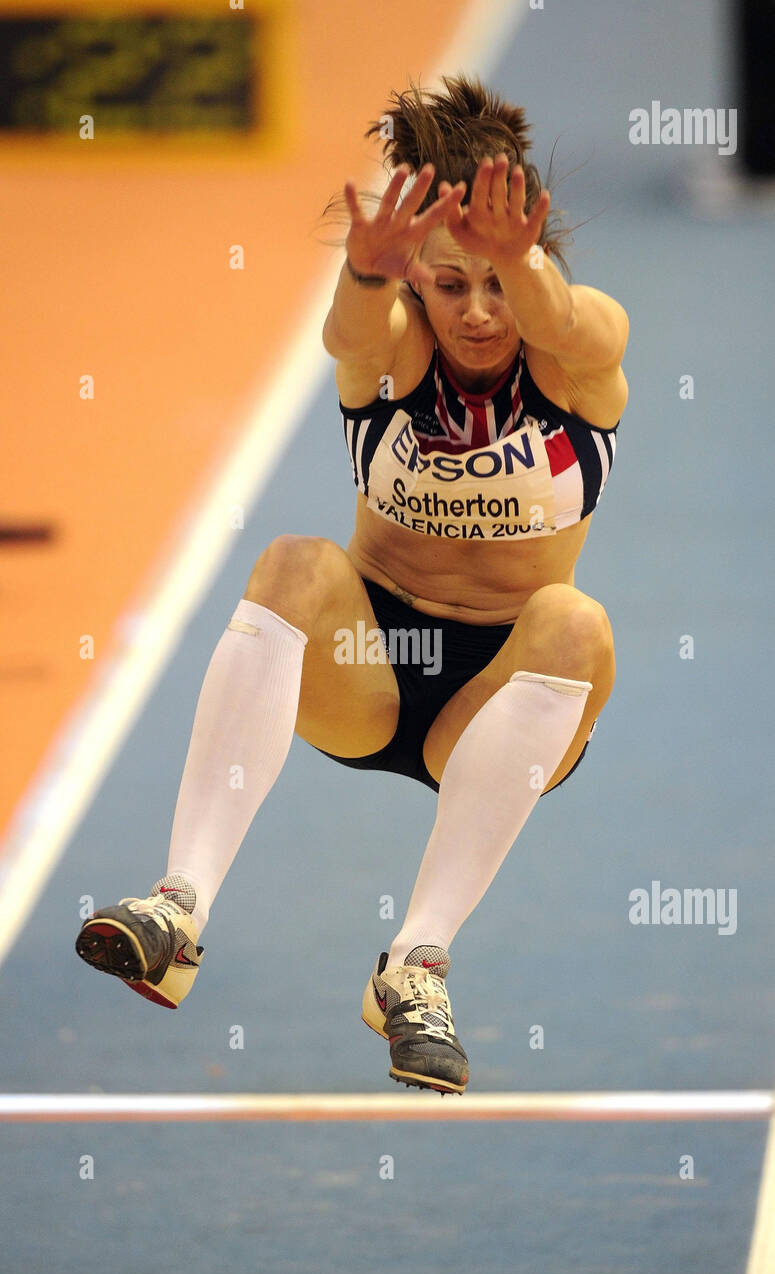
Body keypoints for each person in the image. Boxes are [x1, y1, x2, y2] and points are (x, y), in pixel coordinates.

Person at [76, 76, 628, 1096]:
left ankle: (415, 969)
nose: (476, 312)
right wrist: (369, 276)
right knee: (292, 558)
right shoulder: (393, 343)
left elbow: (564, 315)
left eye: (499, 283)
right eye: (449, 284)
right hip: (362, 674)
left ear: (535, 264)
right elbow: (350, 336)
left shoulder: (582, 354)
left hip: (498, 699)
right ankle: (178, 910)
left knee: (574, 620)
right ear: (417, 279)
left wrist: (519, 265)